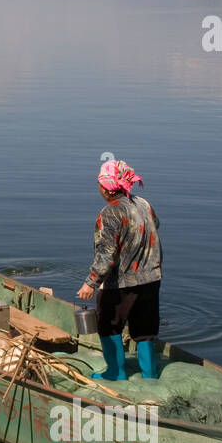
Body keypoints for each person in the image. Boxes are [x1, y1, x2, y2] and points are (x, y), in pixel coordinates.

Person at [76, 159, 162, 380]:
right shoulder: (143, 203)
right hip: (151, 278)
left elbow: (107, 253)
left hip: (121, 283)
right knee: (144, 330)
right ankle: (149, 375)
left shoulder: (109, 213)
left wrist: (90, 282)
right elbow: (155, 225)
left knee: (109, 326)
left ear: (106, 187)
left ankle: (115, 373)